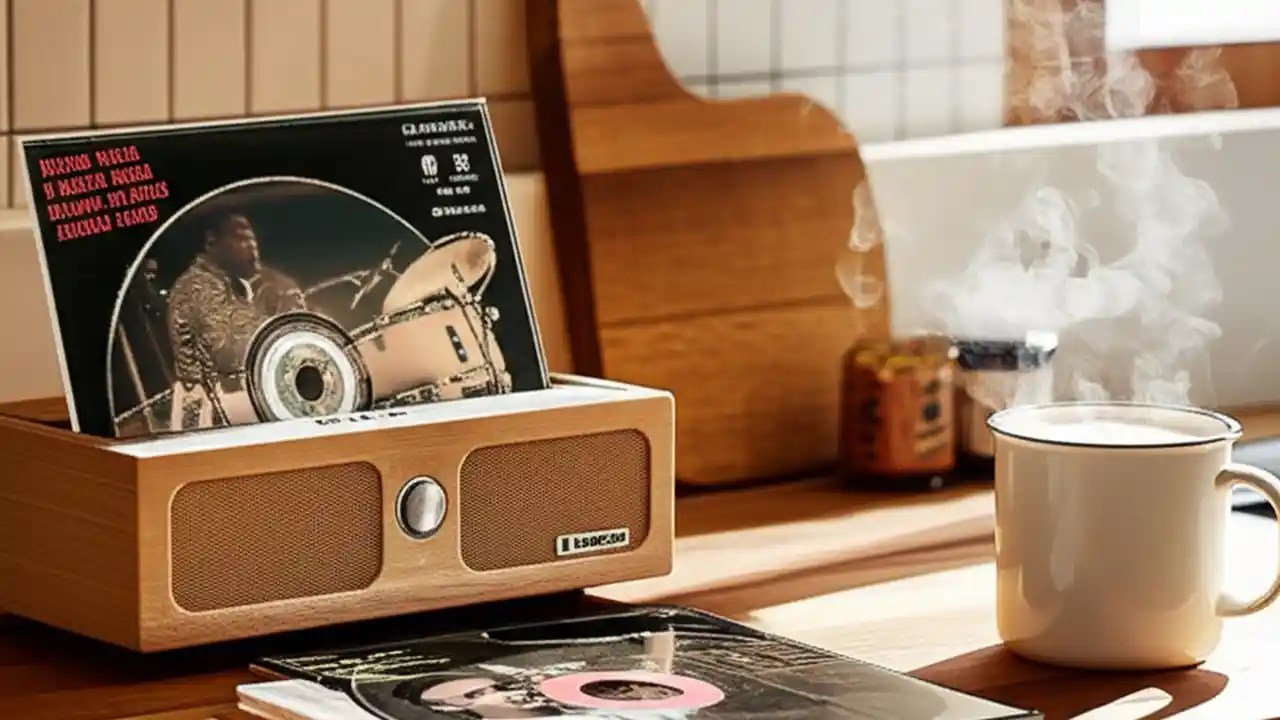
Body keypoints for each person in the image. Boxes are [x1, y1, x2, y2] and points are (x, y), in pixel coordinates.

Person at [165, 208, 305, 431]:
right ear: (212, 241)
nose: (252, 244)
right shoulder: (198, 286)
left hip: (225, 411)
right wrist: (281, 318)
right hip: (212, 418)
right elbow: (231, 356)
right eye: (241, 237)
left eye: (253, 238)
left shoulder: (227, 283)